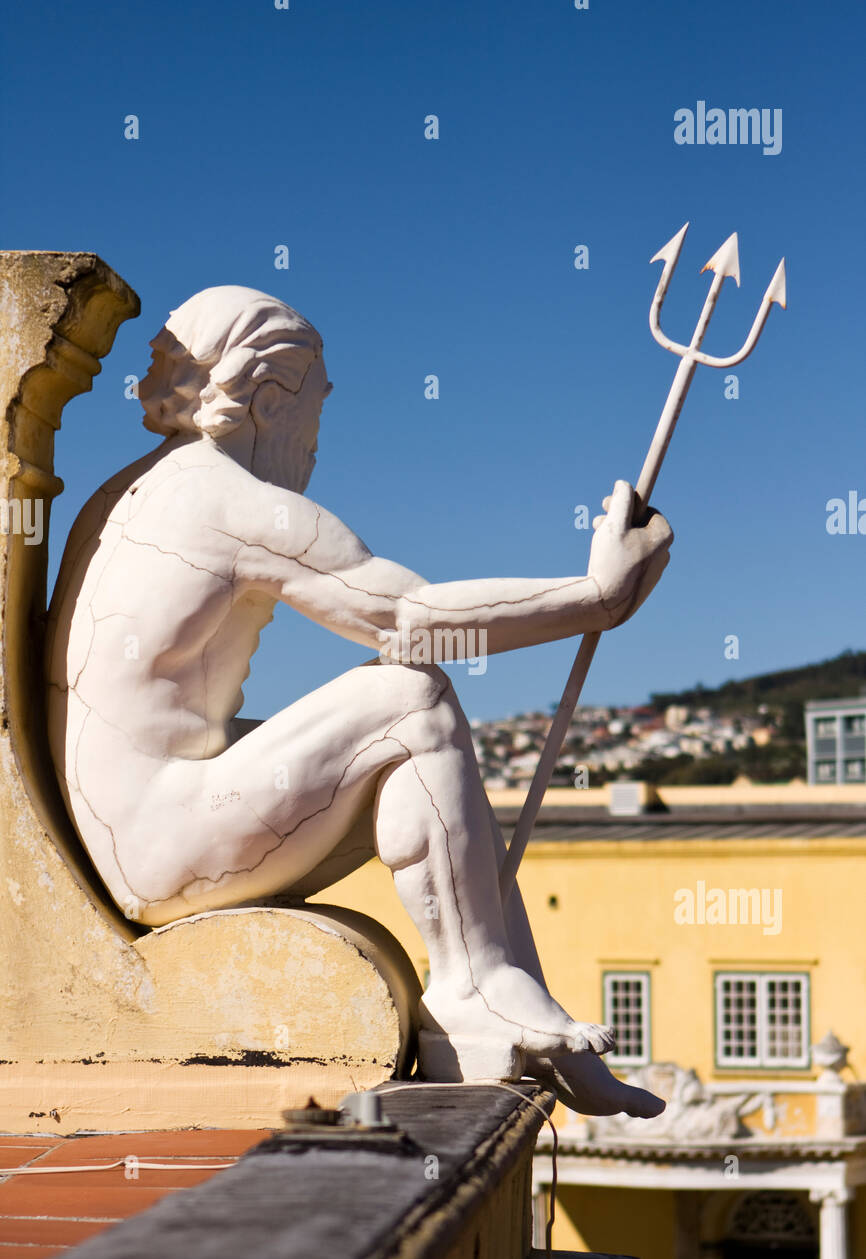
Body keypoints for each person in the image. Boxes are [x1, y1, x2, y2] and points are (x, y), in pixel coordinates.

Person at [46, 286, 673, 1115]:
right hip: (157, 848)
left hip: (129, 831)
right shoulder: (225, 500)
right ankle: (474, 988)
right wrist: (597, 596)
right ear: (270, 395)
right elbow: (409, 622)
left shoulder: (129, 492)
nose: (313, 441)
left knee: (432, 772)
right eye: (315, 408)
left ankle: (506, 996)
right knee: (411, 701)